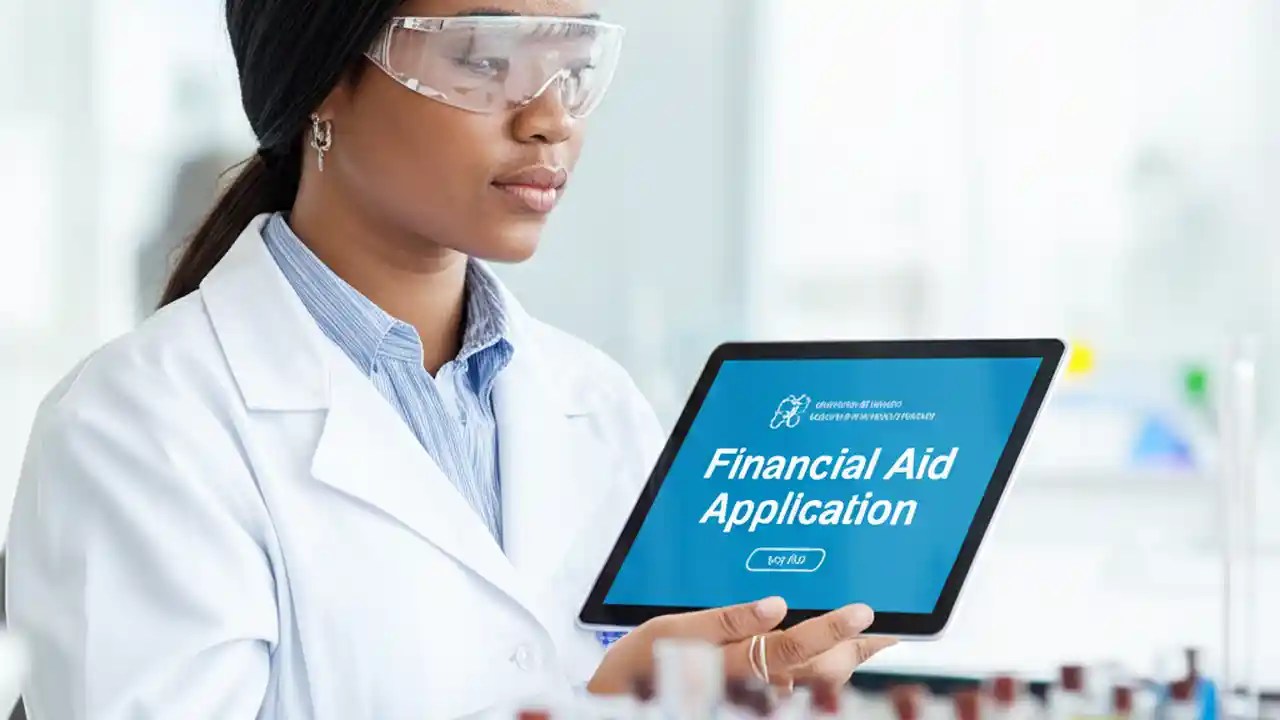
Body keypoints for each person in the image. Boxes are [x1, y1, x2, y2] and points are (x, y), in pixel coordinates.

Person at [4, 0, 896, 717]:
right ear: (326, 82)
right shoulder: (139, 425)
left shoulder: (597, 402)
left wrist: (746, 686)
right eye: (482, 60)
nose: (551, 120)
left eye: (573, 66)